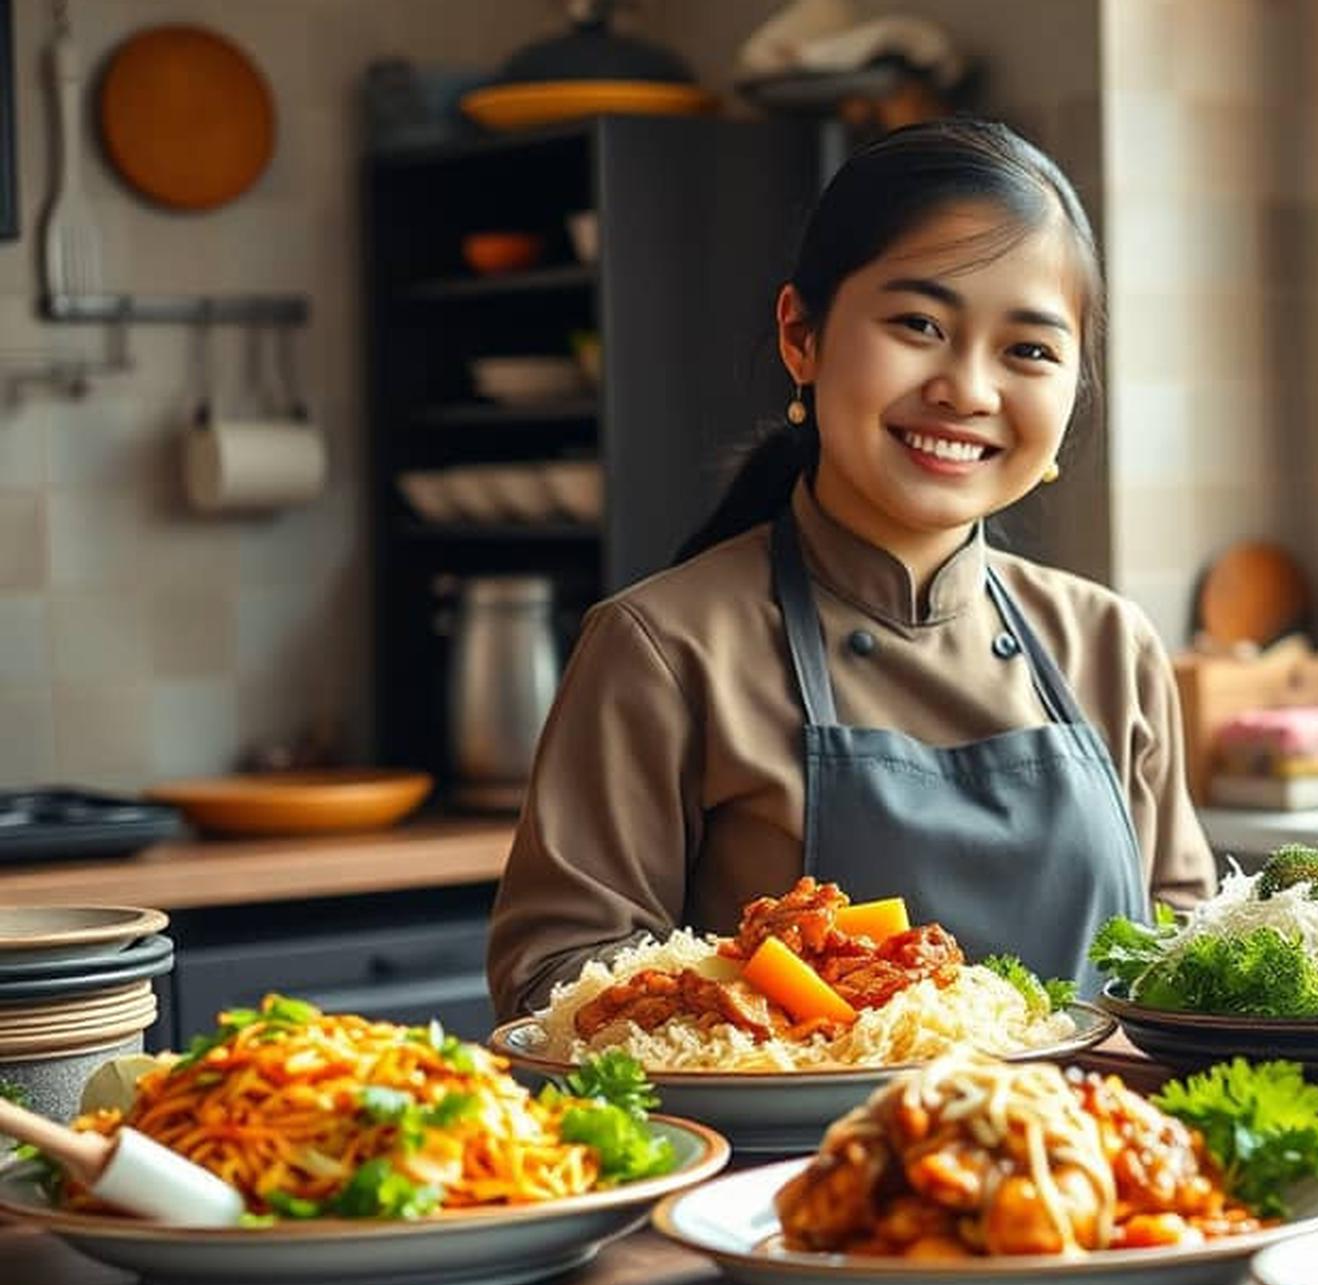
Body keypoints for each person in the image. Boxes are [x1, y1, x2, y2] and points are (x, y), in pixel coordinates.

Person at [485, 117, 1215, 1017]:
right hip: (790, 1157)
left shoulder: (1110, 644)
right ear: (803, 335)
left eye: (1028, 349)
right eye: (919, 324)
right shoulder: (662, 648)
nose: (970, 391)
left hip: (1080, 1153)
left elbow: (1184, 958)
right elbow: (553, 979)